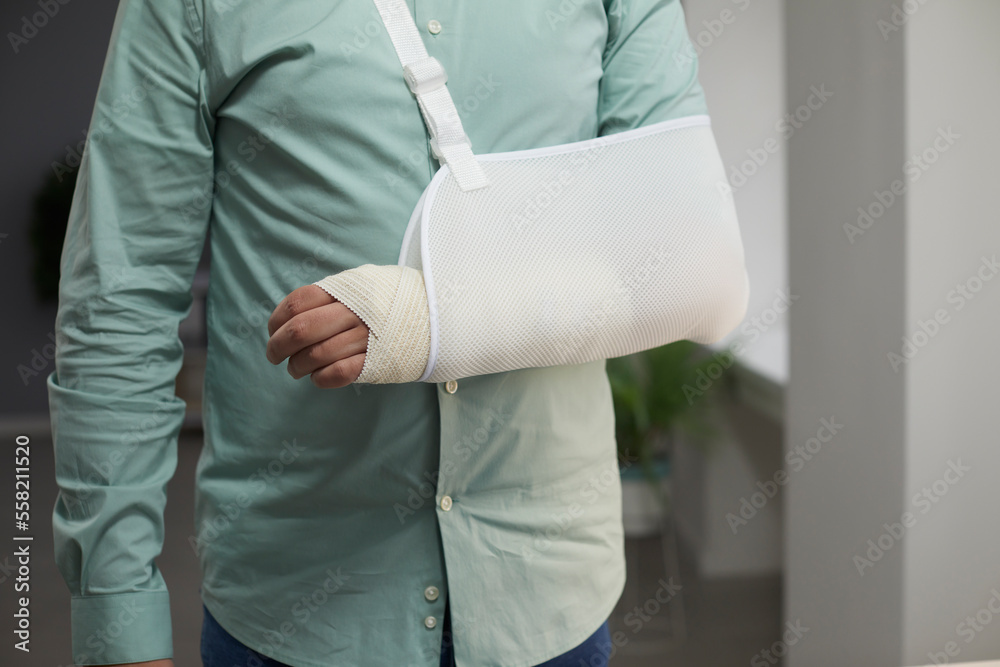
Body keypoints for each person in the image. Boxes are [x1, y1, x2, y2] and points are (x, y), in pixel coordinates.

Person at [48, 0, 710, 665]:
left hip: (548, 602)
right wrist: (117, 618)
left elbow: (679, 255)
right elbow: (119, 295)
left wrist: (421, 317)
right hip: (294, 609)